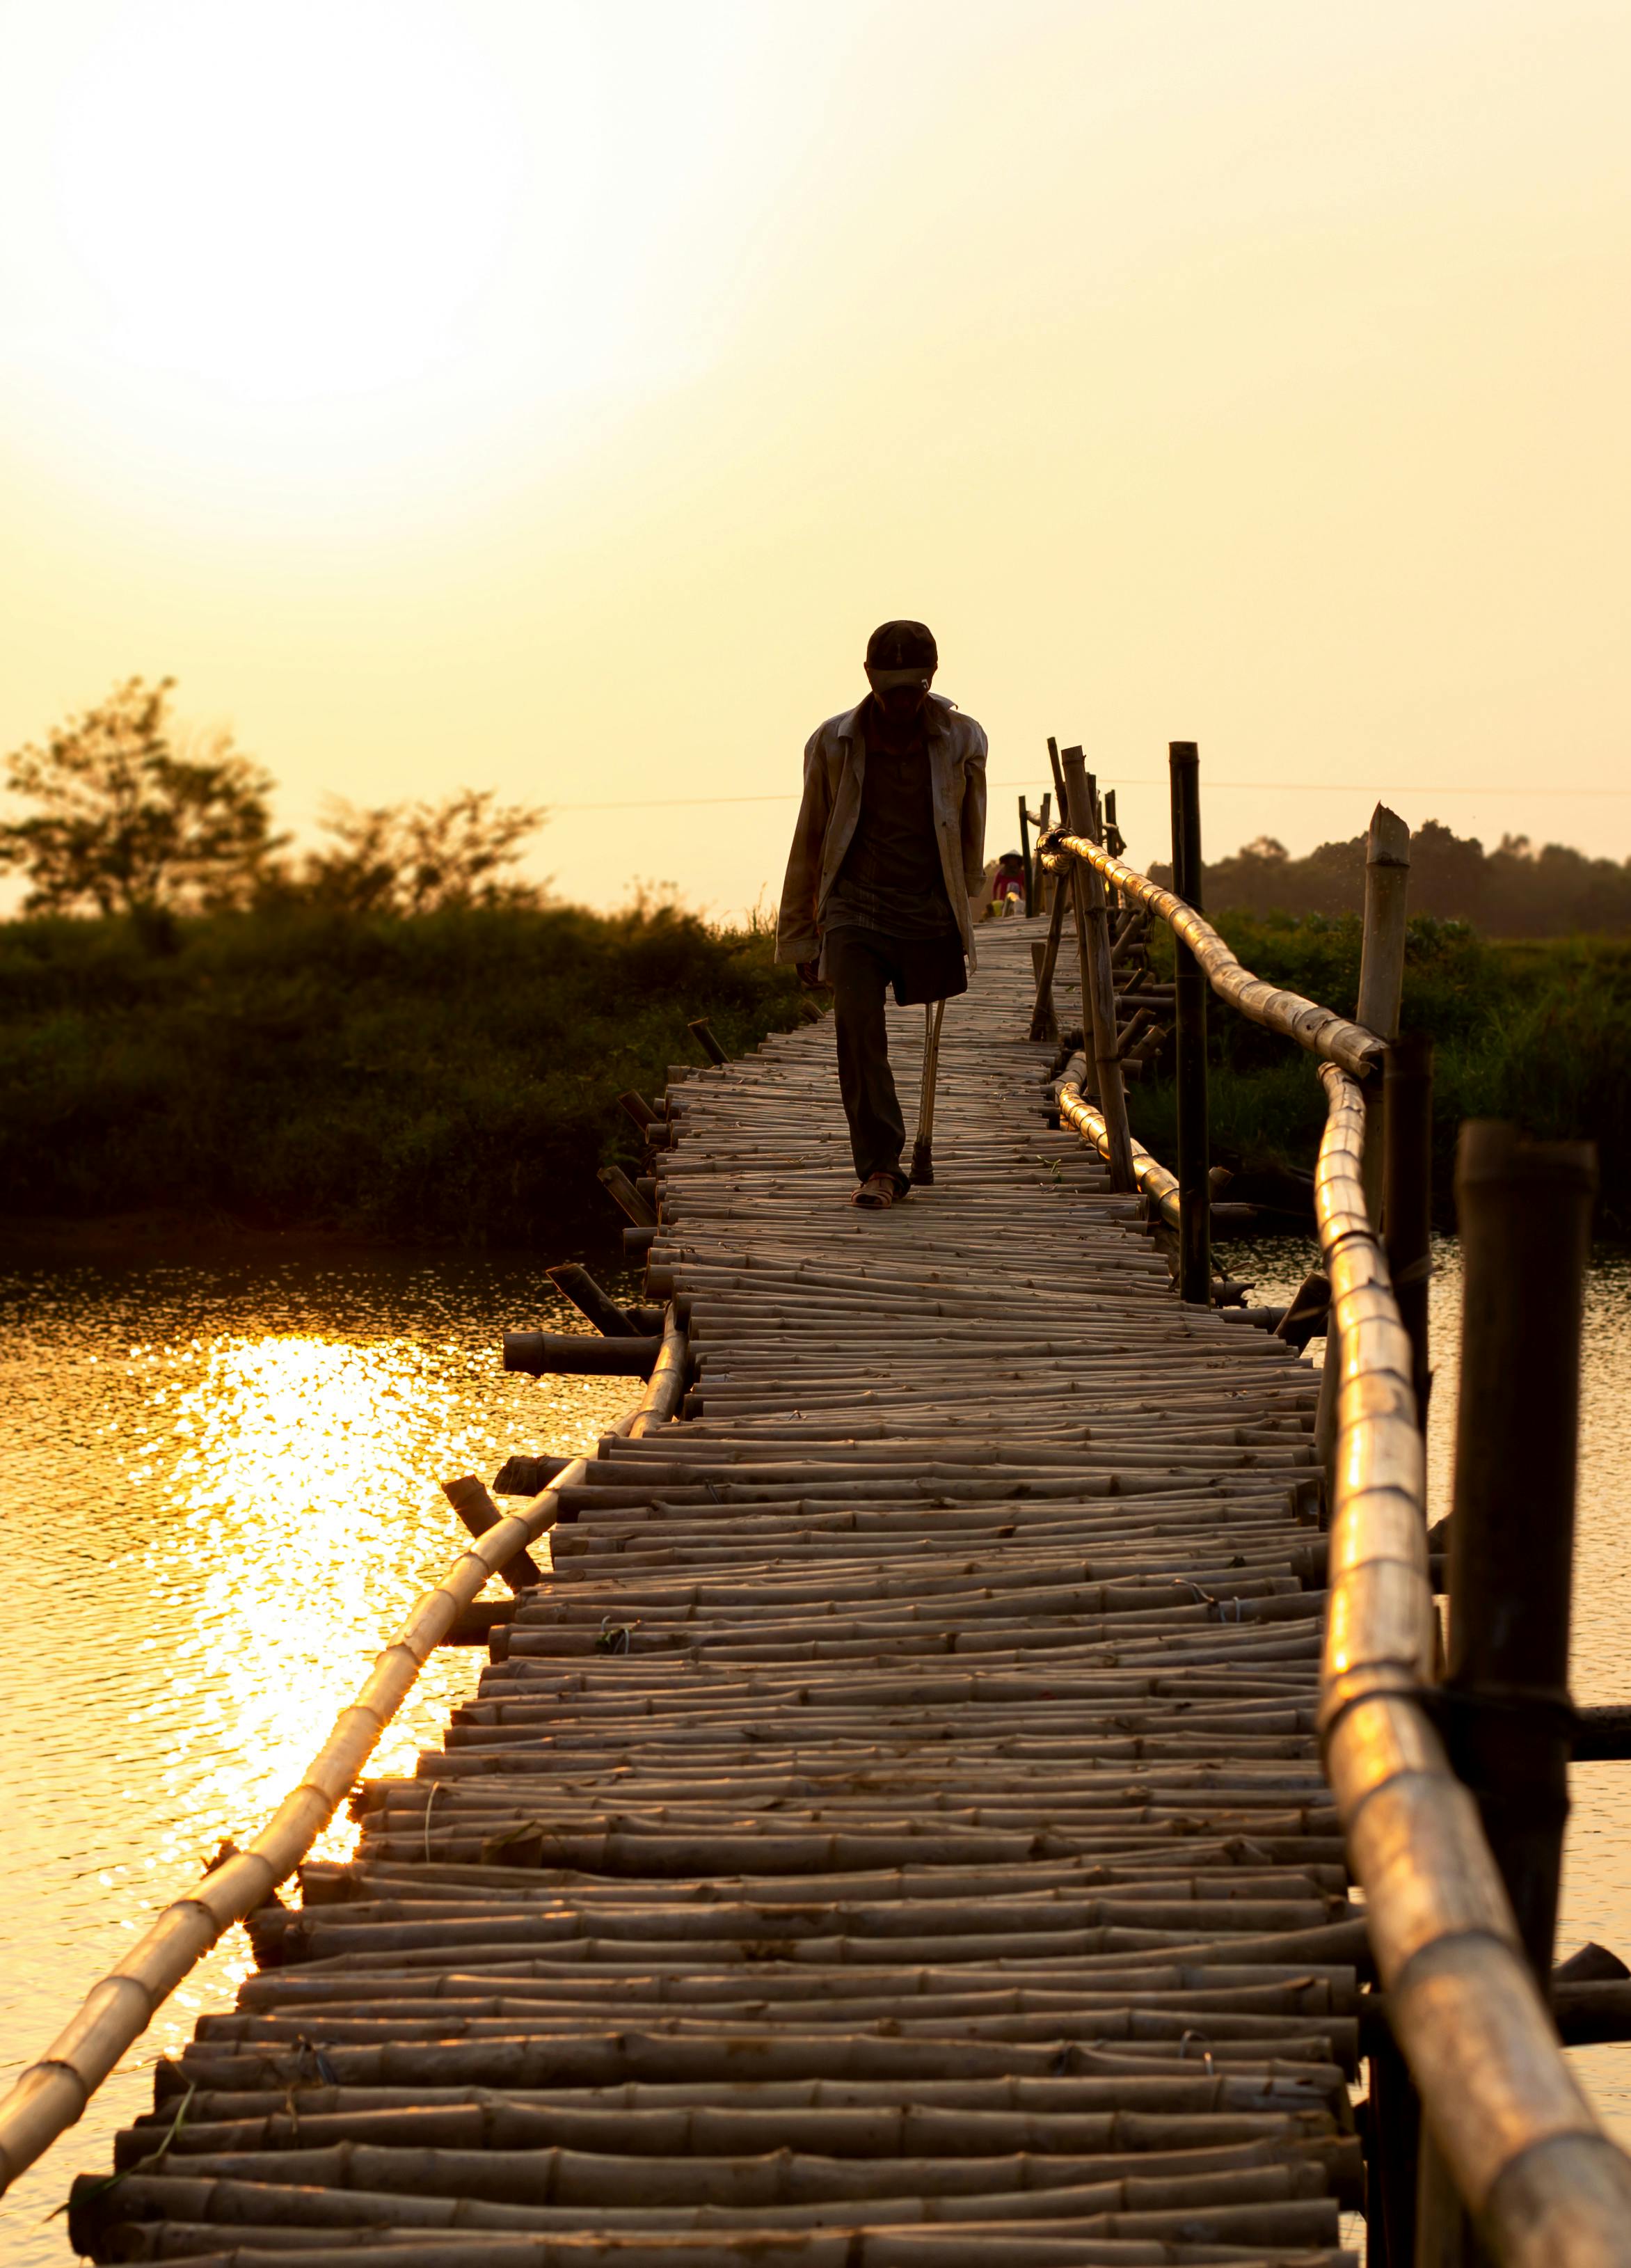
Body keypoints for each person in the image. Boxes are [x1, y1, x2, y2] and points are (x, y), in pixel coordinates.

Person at [776, 619, 988, 1208]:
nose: (901, 702)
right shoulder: (832, 743)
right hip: (854, 909)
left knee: (900, 1022)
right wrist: (798, 936)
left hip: (925, 906)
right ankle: (880, 1165)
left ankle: (890, 1159)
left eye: (913, 689)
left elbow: (970, 831)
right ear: (869, 678)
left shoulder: (962, 739)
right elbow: (810, 838)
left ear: (932, 679)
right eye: (891, 689)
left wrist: (968, 908)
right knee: (858, 1028)